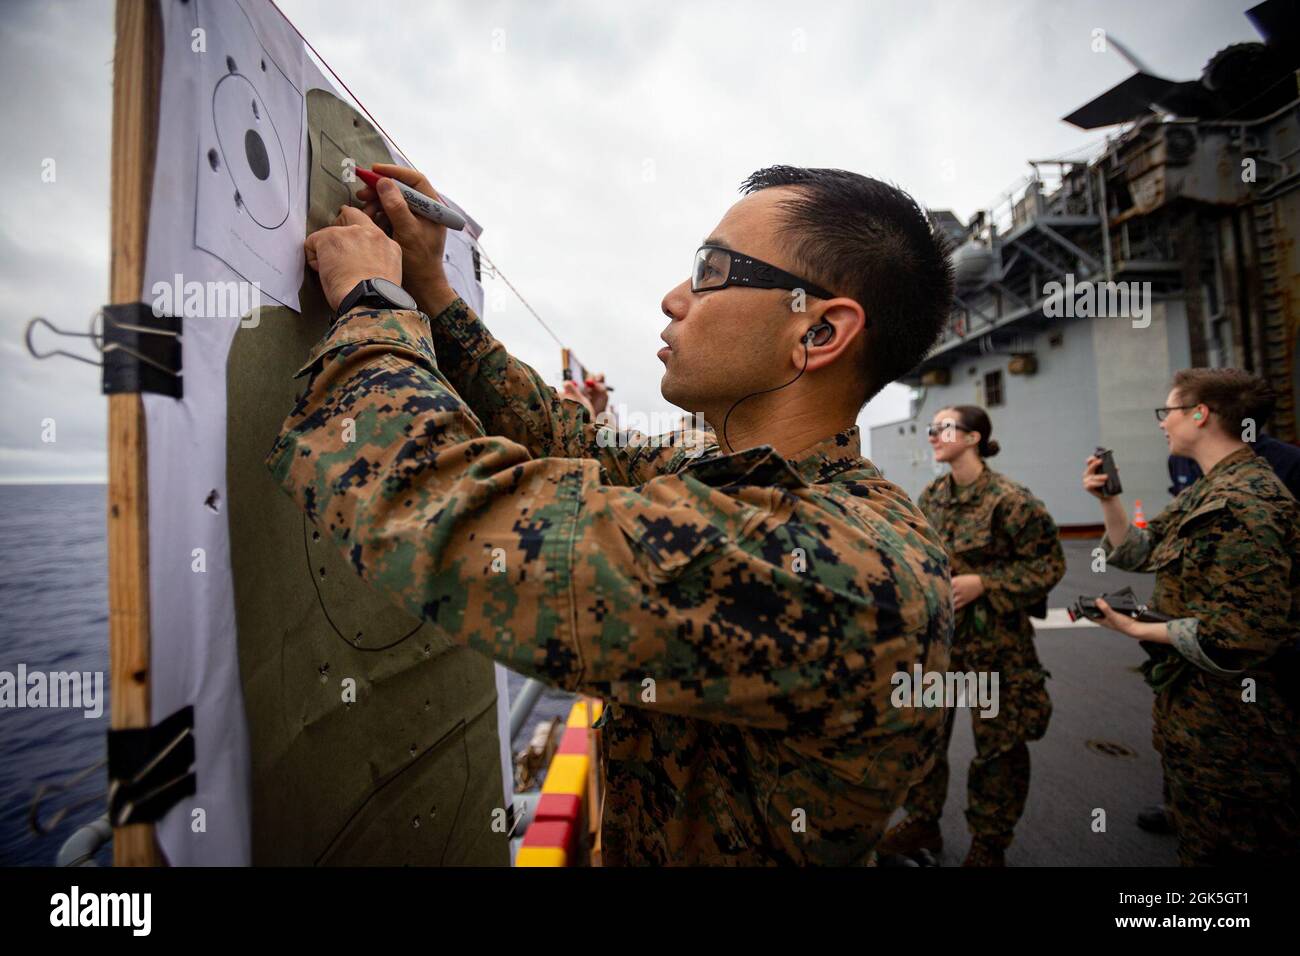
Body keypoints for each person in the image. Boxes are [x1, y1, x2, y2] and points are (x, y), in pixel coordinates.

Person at [266, 163, 957, 864]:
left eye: (713, 270)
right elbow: (568, 441)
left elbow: (448, 522)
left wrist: (373, 301)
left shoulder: (829, 560)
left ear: (818, 332)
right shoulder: (751, 483)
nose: (673, 299)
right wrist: (433, 291)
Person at [1083, 368, 1300, 866]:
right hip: (1201, 714)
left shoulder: (1246, 503)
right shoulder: (1209, 490)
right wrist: (1109, 500)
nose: (1163, 424)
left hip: (1240, 730)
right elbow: (1137, 551)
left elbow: (1247, 634)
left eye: (1169, 411)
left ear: (1200, 415)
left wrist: (1138, 628)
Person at [878, 405, 1064, 866]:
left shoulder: (1011, 500)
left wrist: (985, 583)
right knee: (925, 740)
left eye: (944, 428)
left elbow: (1048, 565)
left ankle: (989, 844)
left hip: (998, 651)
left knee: (998, 752)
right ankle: (922, 822)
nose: (933, 436)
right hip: (940, 648)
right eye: (932, 428)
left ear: (974, 436)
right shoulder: (932, 495)